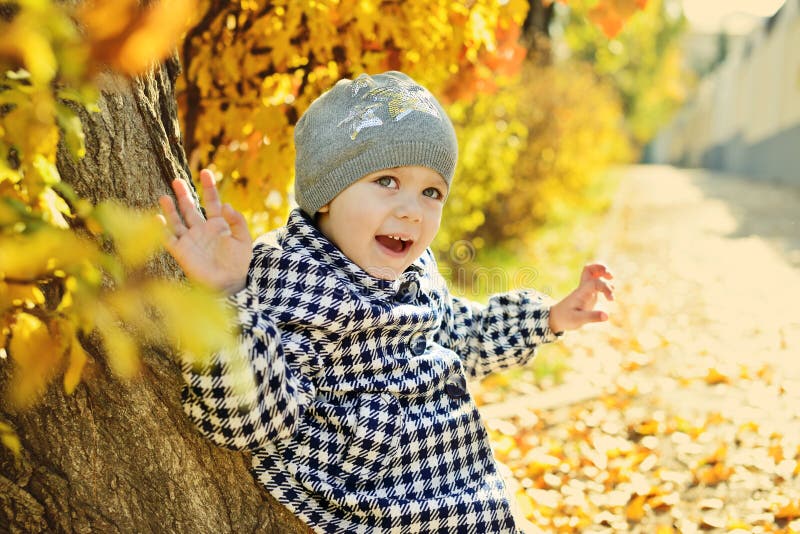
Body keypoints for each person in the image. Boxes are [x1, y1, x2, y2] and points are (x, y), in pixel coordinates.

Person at [159, 71, 614, 533]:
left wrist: (547, 317)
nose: (411, 210)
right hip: (377, 510)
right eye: (387, 181)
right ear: (326, 196)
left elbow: (463, 333)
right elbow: (248, 421)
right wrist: (228, 295)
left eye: (431, 192)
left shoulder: (414, 275)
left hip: (465, 495)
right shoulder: (293, 281)